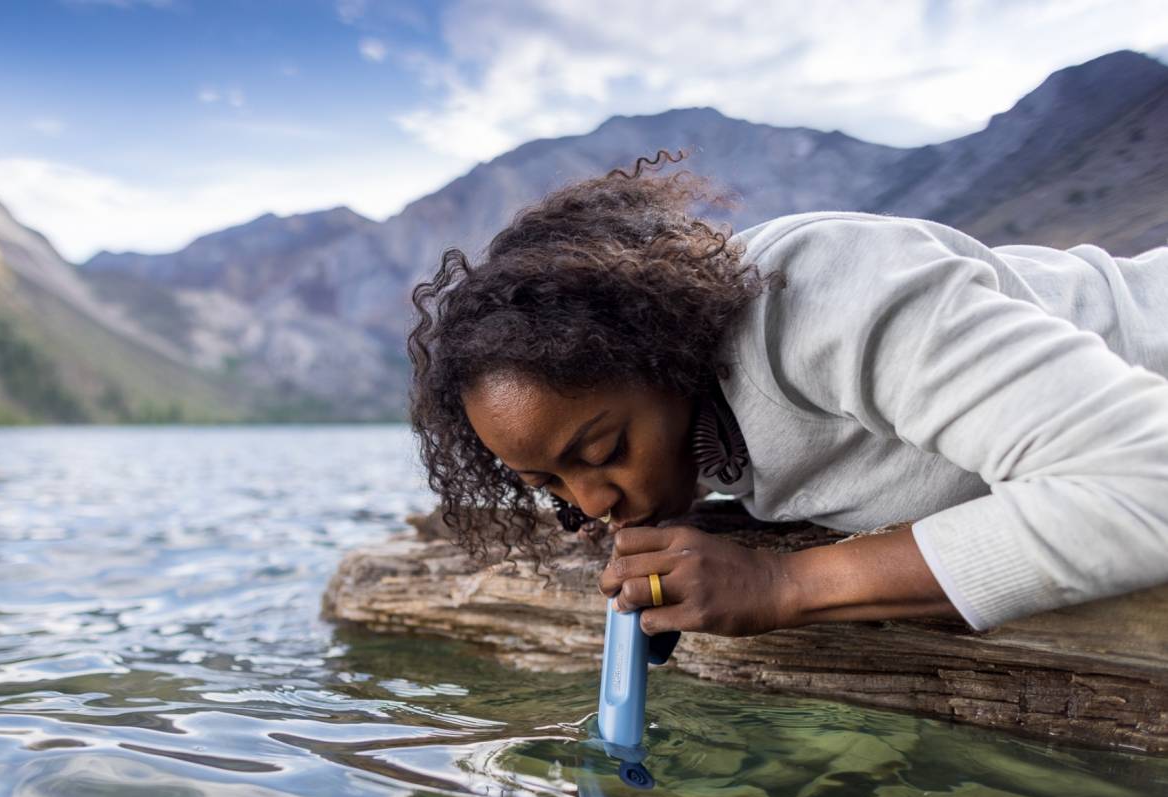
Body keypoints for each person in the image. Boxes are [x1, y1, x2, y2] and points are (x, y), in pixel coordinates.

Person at [405, 150, 1168, 638]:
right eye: (552, 488)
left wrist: (786, 584)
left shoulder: (818, 296)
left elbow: (1147, 483)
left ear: (661, 352)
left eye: (602, 451)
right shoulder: (697, 427)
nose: (592, 502)